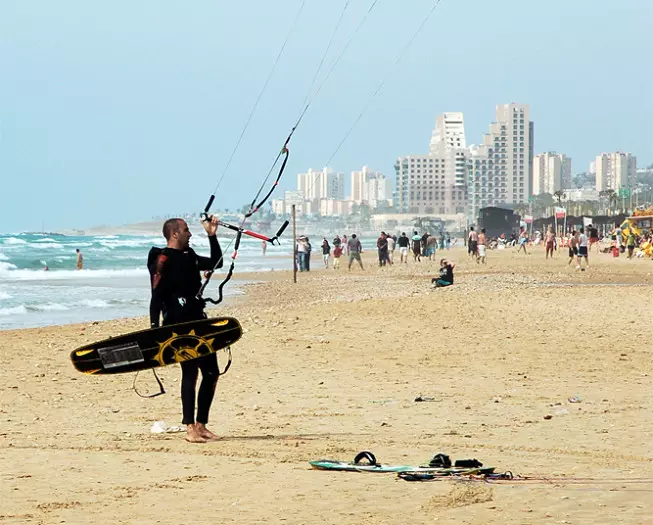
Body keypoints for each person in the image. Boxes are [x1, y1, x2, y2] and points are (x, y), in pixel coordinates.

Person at [148, 216, 223, 443]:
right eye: (186, 230)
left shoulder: (189, 256)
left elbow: (216, 261)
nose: (190, 233)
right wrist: (154, 329)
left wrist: (212, 234)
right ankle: (189, 427)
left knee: (211, 372)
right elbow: (156, 297)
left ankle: (201, 424)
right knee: (190, 372)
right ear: (174, 233)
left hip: (198, 321)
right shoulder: (162, 259)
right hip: (177, 326)